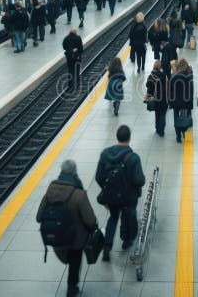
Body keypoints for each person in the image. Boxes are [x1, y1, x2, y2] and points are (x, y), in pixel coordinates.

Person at [36, 160, 97, 297]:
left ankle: (68, 266)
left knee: (66, 255)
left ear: (61, 171)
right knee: (75, 262)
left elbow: (39, 217)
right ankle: (71, 287)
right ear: (75, 171)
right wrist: (93, 228)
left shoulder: (50, 190)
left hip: (55, 236)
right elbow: (90, 219)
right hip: (75, 239)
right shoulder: (79, 194)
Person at [95, 125, 146, 261]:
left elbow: (98, 177)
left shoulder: (105, 154)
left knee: (113, 218)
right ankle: (127, 240)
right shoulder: (133, 158)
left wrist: (107, 188)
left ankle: (107, 247)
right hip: (129, 197)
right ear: (129, 138)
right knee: (129, 216)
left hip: (111, 196)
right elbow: (140, 180)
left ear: (117, 137)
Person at [169, 58, 194, 143]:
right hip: (185, 101)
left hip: (175, 101)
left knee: (176, 118)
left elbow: (170, 90)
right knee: (184, 117)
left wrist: (170, 101)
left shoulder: (173, 76)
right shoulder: (189, 76)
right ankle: (184, 131)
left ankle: (178, 136)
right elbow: (191, 90)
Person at [146, 60, 168, 137]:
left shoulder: (151, 76)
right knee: (163, 113)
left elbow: (148, 85)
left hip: (155, 98)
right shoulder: (164, 75)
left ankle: (157, 128)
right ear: (160, 67)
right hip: (164, 97)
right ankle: (161, 130)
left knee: (157, 113)